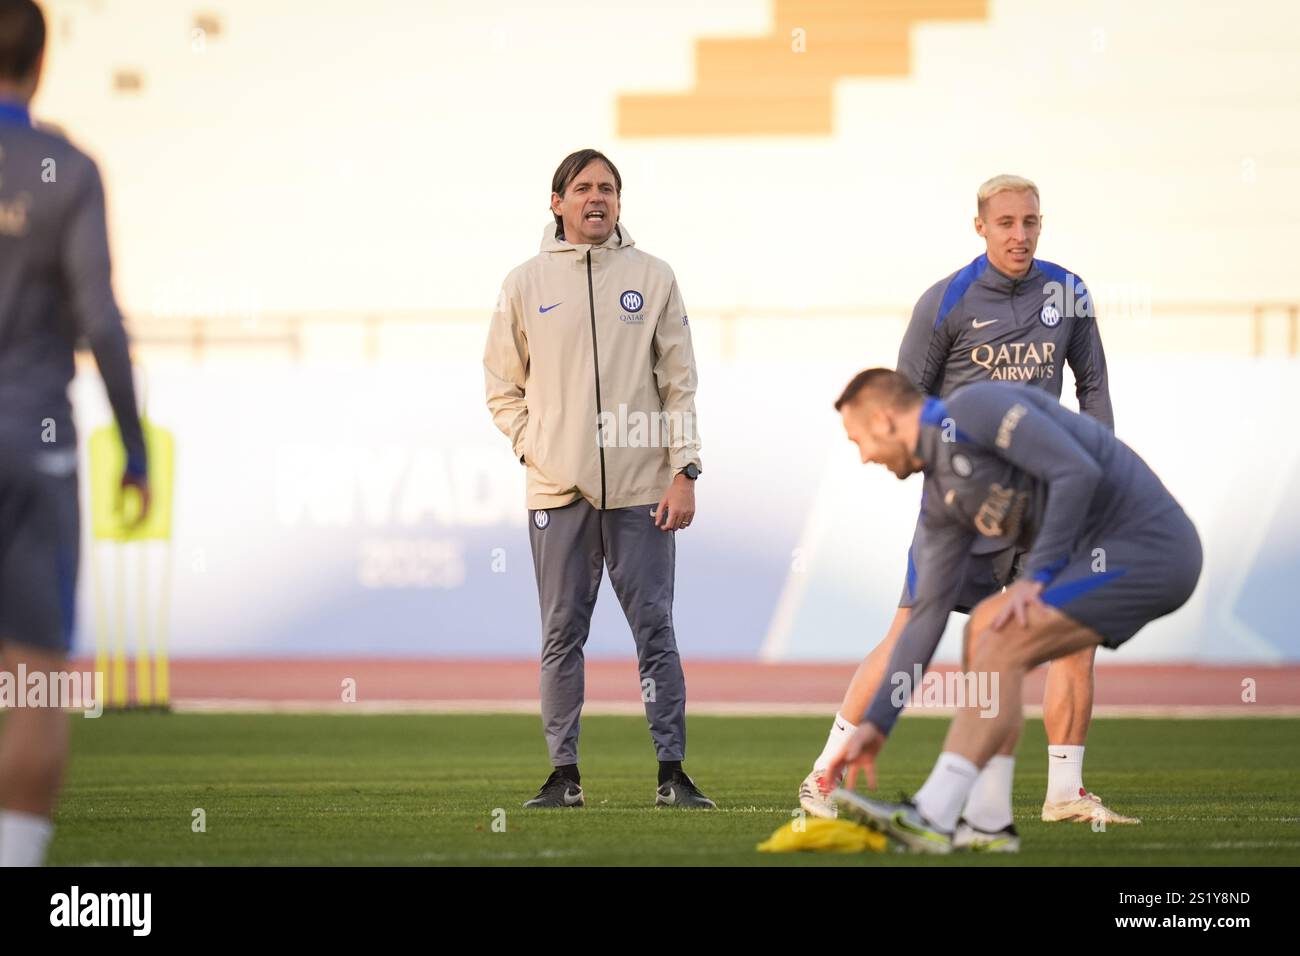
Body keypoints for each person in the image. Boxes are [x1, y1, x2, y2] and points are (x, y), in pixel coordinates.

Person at [798, 174, 1134, 830]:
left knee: (1076, 639)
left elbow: (1092, 386)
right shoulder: (945, 300)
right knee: (906, 635)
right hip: (964, 508)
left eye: (1031, 222)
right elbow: (906, 402)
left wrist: (1101, 466)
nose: (1021, 235)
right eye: (1006, 223)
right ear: (980, 226)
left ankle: (1065, 790)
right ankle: (824, 771)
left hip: (1045, 505)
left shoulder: (1069, 293)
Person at [824, 370, 1201, 853]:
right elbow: (927, 616)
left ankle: (934, 814)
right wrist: (878, 723)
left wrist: (1037, 577)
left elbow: (1075, 471)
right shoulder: (942, 497)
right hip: (1103, 557)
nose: (864, 456)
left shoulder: (974, 408)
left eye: (860, 440)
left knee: (1004, 638)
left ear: (884, 418)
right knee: (983, 626)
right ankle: (989, 822)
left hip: (1151, 549)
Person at [484, 149, 713, 809]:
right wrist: (539, 449)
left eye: (607, 189)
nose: (596, 198)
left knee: (655, 630)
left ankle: (673, 774)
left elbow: (680, 384)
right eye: (582, 188)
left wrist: (685, 470)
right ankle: (564, 777)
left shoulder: (654, 276)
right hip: (557, 493)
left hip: (645, 490)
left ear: (620, 201)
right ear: (556, 202)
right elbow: (501, 387)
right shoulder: (524, 283)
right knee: (562, 634)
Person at [0, 0, 149, 866]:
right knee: (33, 677)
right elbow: (100, 317)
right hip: (34, 442)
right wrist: (132, 448)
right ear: (41, 61)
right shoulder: (66, 169)